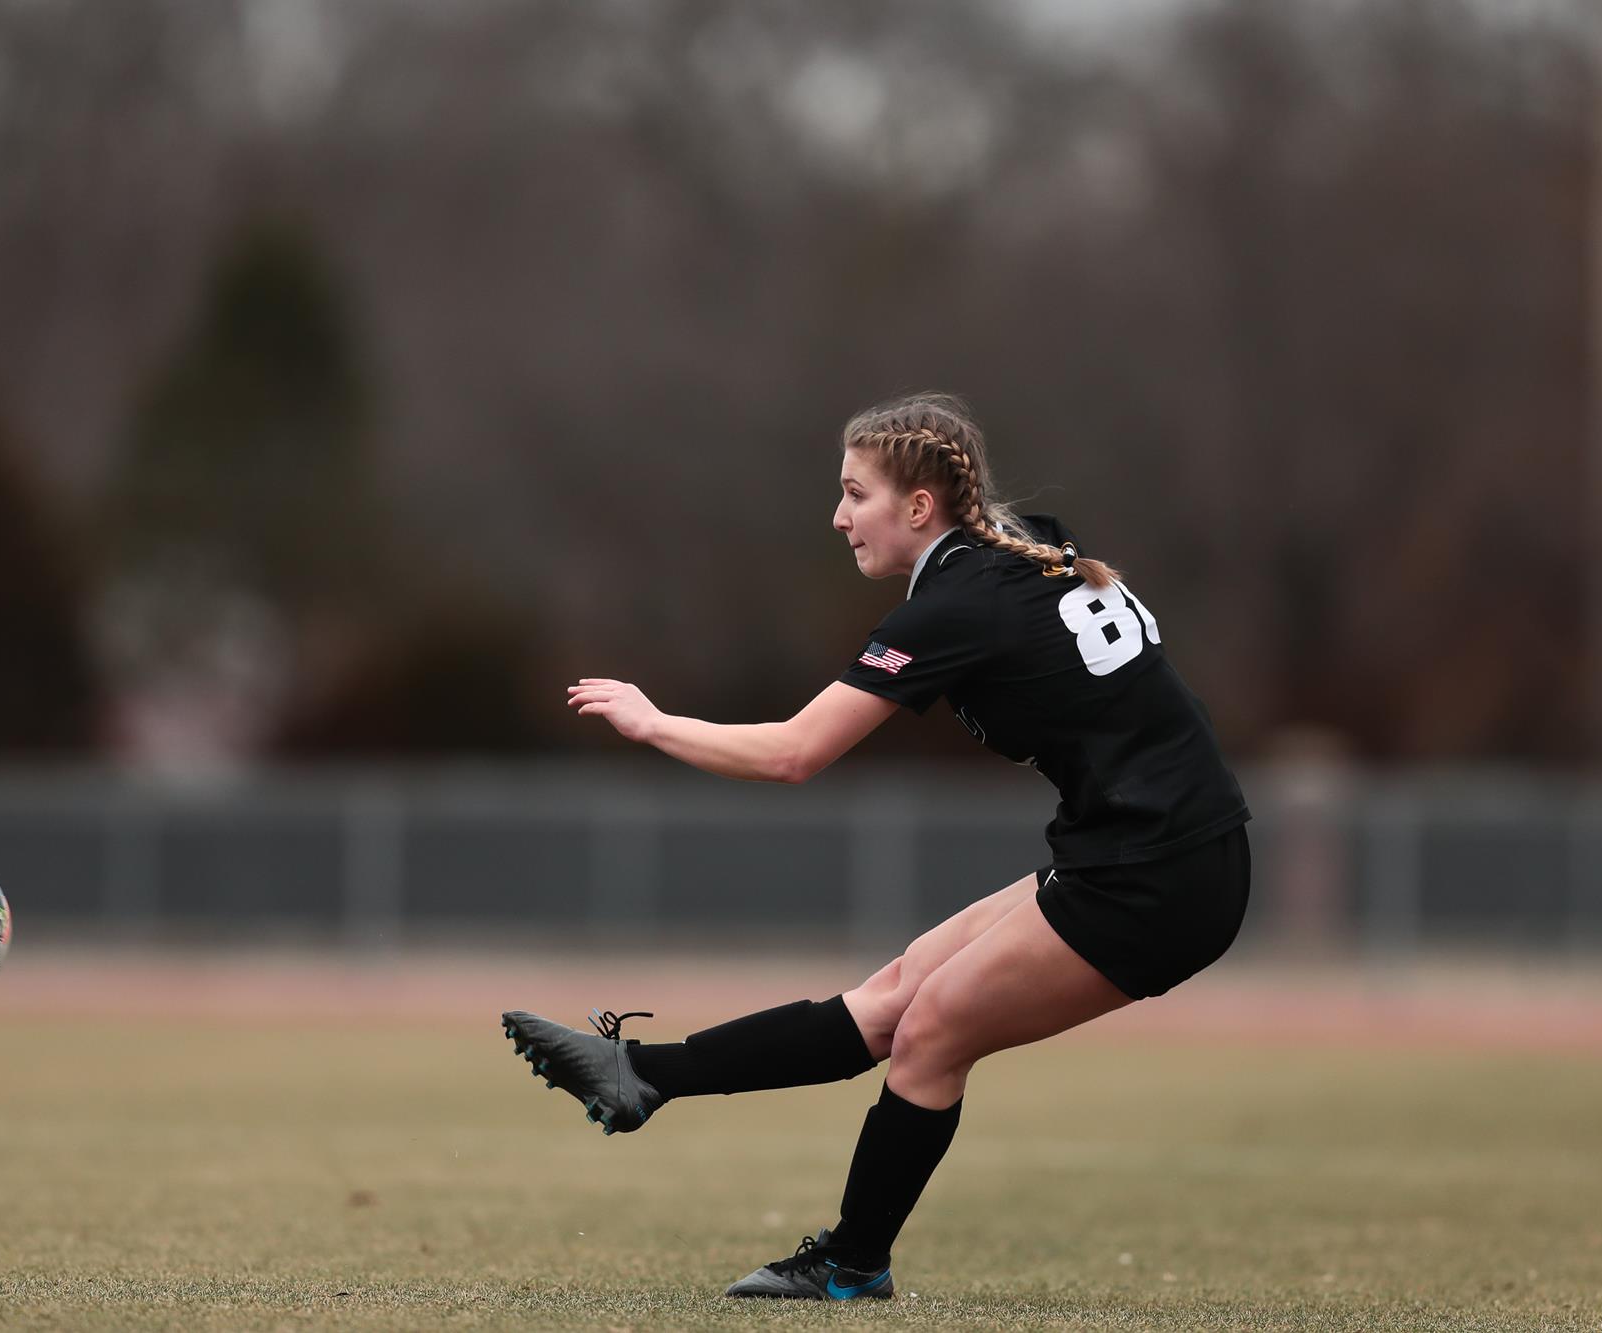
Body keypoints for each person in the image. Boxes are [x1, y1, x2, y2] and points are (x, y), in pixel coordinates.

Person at [501, 392, 1251, 1301]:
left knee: (931, 1032)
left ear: (921, 507)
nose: (839, 516)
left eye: (856, 494)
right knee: (895, 998)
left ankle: (853, 1264)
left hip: (1161, 871)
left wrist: (656, 723)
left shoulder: (956, 602)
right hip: (1145, 849)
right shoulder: (1015, 550)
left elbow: (792, 753)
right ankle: (637, 1076)